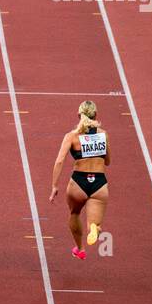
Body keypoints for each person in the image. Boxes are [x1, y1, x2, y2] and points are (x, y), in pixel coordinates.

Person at [49, 100, 110, 260]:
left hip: (78, 182)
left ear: (79, 115)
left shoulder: (72, 136)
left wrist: (54, 186)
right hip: (99, 183)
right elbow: (108, 161)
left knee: (74, 213)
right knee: (95, 224)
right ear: (96, 115)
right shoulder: (103, 134)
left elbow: (59, 161)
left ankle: (80, 248)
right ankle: (94, 228)